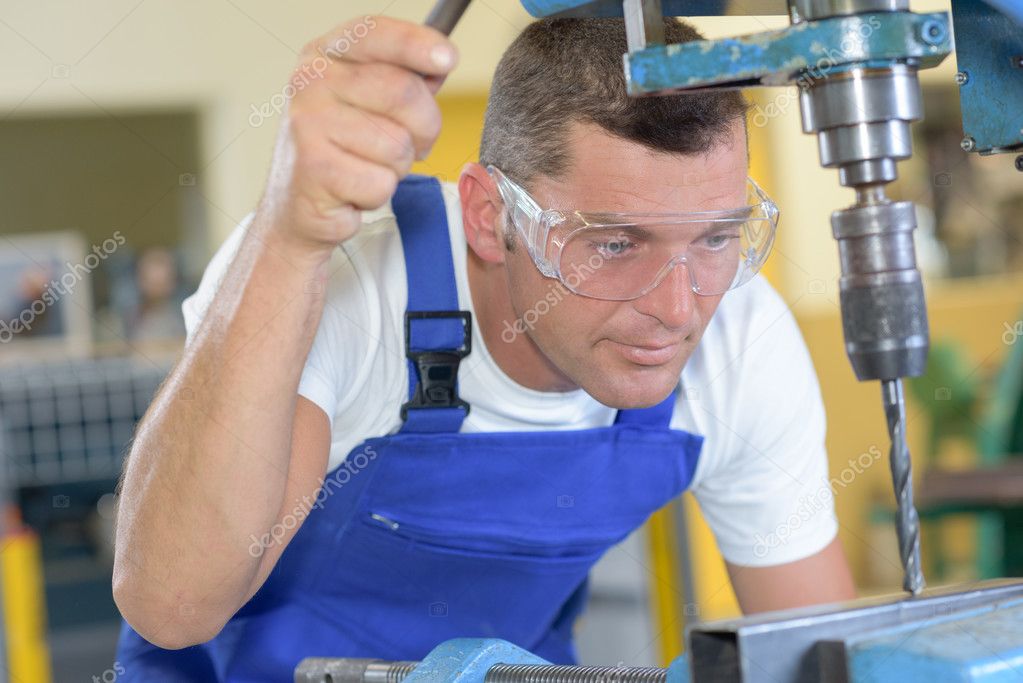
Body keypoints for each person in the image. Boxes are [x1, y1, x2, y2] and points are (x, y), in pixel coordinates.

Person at [112, 14, 855, 681]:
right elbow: (174, 603)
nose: (674, 308)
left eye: (716, 237)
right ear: (486, 213)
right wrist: (287, 239)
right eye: (616, 243)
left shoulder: (741, 336)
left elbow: (817, 650)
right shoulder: (345, 277)